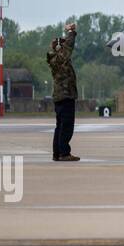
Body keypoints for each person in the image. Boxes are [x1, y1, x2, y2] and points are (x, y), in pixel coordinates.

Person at [47, 22, 80, 161]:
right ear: (60, 48)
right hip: (65, 96)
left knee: (59, 126)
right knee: (66, 126)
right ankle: (64, 153)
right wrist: (71, 32)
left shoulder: (56, 60)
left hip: (60, 97)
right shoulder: (60, 59)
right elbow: (69, 47)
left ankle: (57, 153)